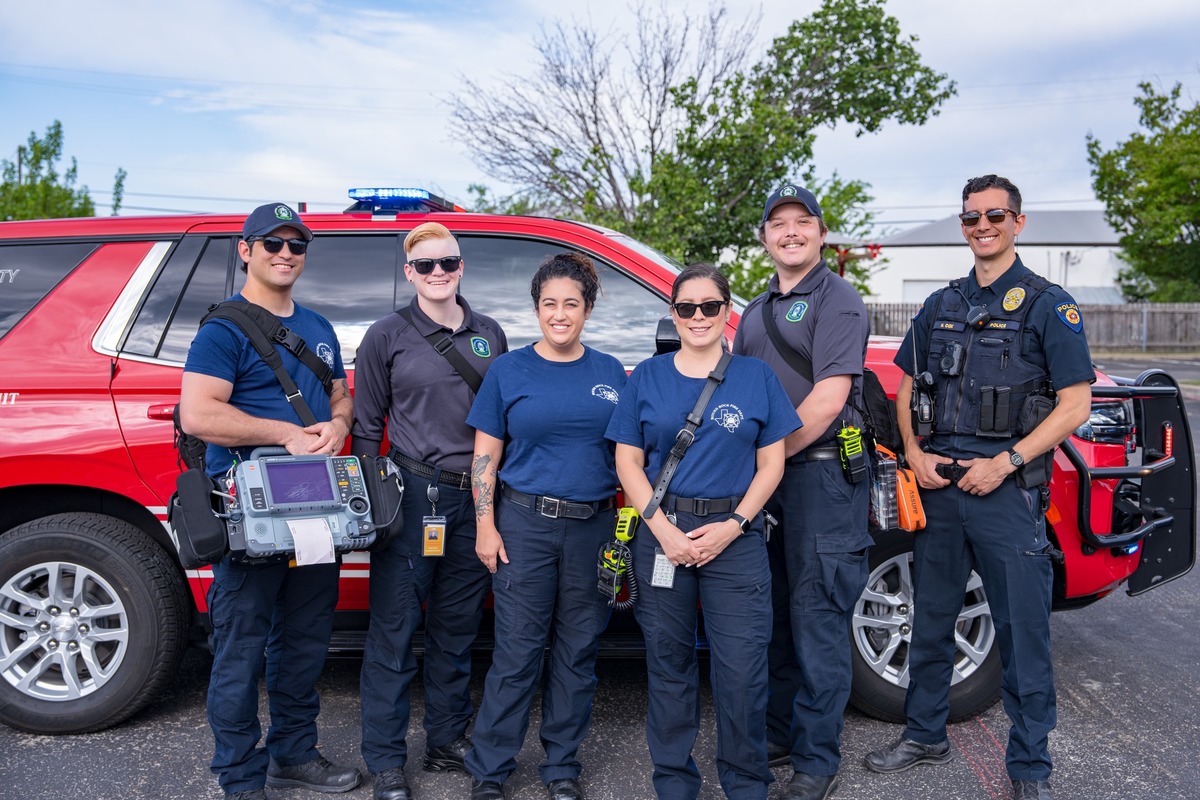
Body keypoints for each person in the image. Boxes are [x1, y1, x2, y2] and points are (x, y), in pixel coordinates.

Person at [863, 175, 1093, 800]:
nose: (982, 225)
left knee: (1022, 633)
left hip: (1006, 492)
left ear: (1019, 221)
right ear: (962, 226)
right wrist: (913, 452)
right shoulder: (941, 303)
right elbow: (906, 382)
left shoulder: (1049, 305)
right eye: (970, 218)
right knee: (930, 618)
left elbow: (1074, 404)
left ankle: (1029, 768)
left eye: (994, 215)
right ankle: (924, 733)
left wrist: (1010, 459)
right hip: (939, 486)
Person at [179, 203, 359, 800]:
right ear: (246, 250)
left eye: (296, 246)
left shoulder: (321, 327)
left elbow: (340, 396)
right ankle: (238, 775)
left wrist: (336, 425)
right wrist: (284, 434)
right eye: (272, 244)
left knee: (306, 640)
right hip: (250, 517)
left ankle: (294, 755)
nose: (286, 254)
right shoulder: (224, 329)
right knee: (241, 647)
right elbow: (200, 414)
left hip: (315, 513)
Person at [606, 264, 800, 800]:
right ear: (673, 313)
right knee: (669, 666)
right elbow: (627, 462)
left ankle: (745, 784)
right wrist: (662, 529)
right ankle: (673, 783)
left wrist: (735, 525)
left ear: (726, 312)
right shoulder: (647, 376)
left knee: (741, 672)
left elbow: (772, 465)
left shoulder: (756, 377)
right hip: (662, 532)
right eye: (686, 307)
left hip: (734, 537)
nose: (698, 317)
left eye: (709, 306)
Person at [351, 222, 508, 800]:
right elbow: (367, 427)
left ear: (461, 266)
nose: (438, 273)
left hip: (476, 496)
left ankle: (446, 741)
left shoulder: (489, 332)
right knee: (394, 630)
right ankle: (387, 760)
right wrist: (374, 502)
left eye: (448, 263)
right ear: (408, 272)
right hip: (412, 496)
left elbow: (500, 421)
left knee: (457, 628)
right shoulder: (386, 335)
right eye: (426, 266)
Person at [463, 253, 627, 800]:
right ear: (536, 308)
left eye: (571, 304)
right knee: (516, 653)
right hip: (524, 525)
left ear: (587, 309)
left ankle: (562, 769)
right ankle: (490, 771)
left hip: (593, 530)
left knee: (578, 653)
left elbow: (628, 456)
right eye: (550, 304)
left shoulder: (609, 372)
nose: (560, 314)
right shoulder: (509, 371)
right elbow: (485, 455)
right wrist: (486, 526)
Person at [731, 183, 873, 800]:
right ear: (764, 237)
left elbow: (826, 401)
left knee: (818, 617)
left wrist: (763, 461)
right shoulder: (755, 311)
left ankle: (818, 758)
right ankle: (781, 733)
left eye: (801, 222)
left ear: (820, 232)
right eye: (777, 223)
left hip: (819, 477)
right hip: (769, 483)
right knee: (775, 616)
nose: (790, 232)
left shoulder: (838, 300)